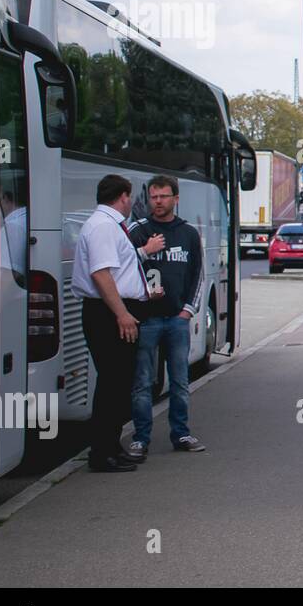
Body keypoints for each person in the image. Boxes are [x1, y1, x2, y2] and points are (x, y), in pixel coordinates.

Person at [71, 174, 160, 472]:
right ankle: (101, 453)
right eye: (129, 197)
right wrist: (122, 313)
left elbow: (118, 271)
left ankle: (111, 446)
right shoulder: (104, 227)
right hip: (108, 313)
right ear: (122, 196)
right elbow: (101, 274)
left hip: (111, 309)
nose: (130, 202)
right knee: (112, 383)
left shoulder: (108, 225)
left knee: (119, 383)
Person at [126, 175, 207, 459]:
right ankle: (140, 438)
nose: (158, 202)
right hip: (146, 319)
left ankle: (181, 433)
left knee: (180, 381)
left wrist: (187, 311)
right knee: (142, 382)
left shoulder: (188, 233)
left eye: (163, 196)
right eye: (154, 197)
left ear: (176, 198)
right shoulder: (138, 230)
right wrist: (144, 252)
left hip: (176, 319)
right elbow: (121, 266)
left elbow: (198, 274)